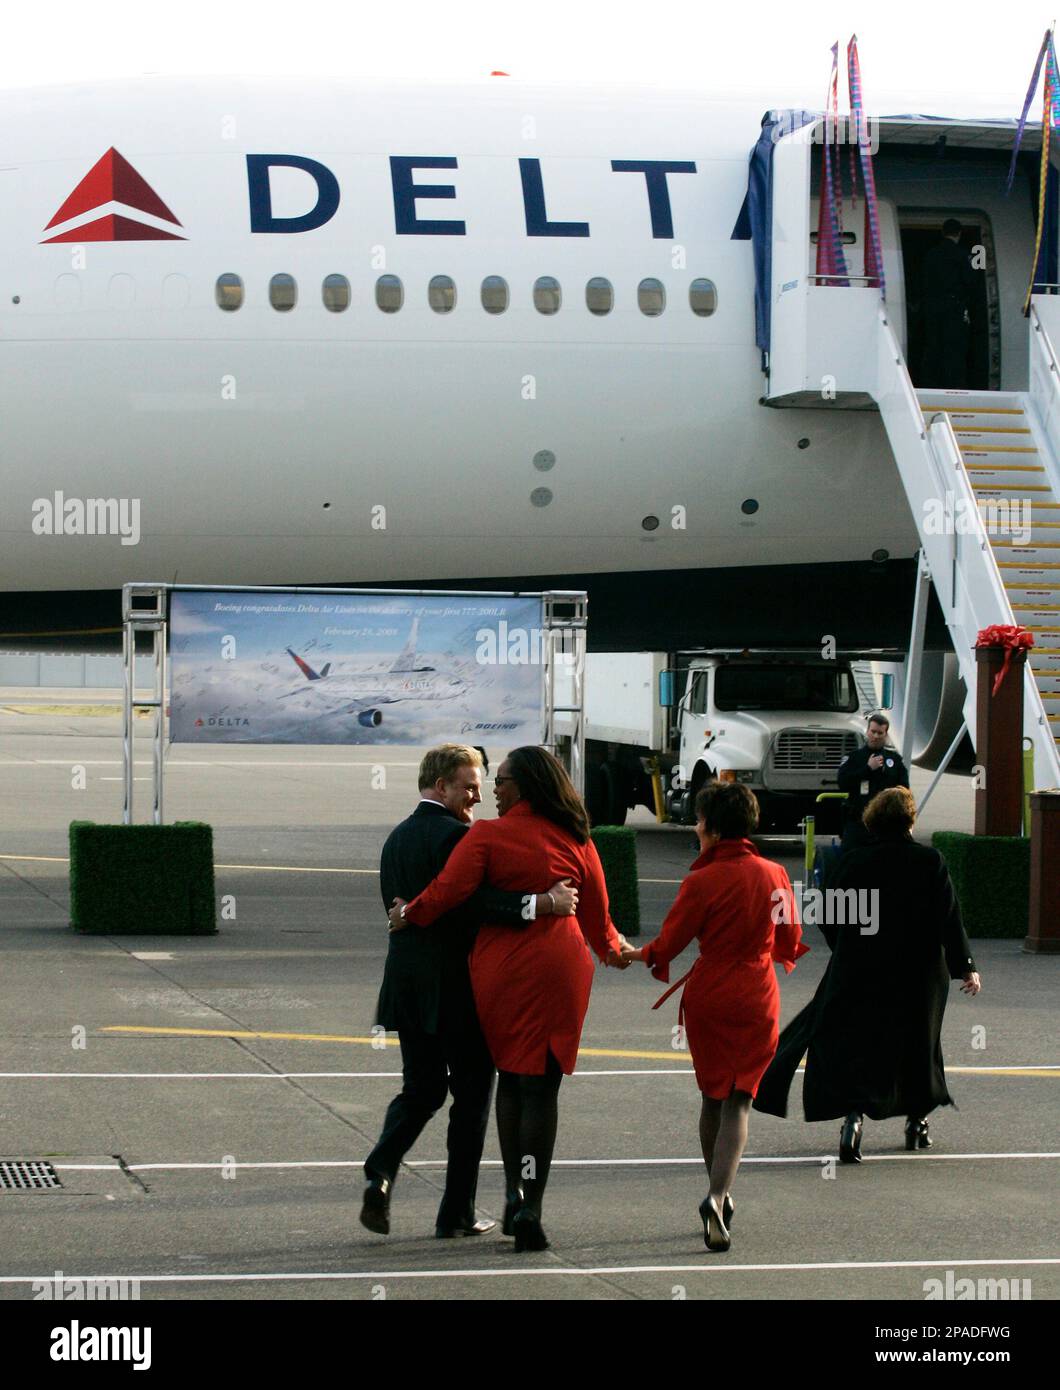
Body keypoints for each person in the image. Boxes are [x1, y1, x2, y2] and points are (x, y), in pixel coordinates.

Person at [392, 746, 626, 1252]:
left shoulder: (486, 835)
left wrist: (409, 913)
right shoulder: (575, 836)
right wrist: (617, 952)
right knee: (541, 1086)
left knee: (512, 1084)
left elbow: (447, 892)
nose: (491, 790)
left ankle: (513, 1195)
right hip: (558, 967)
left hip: (501, 972)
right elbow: (599, 916)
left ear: (522, 785)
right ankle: (530, 1206)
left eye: (499, 781)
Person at [361, 744, 578, 1239]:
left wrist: (406, 914)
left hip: (406, 983)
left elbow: (396, 909)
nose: (479, 796)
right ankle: (456, 1210)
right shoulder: (462, 837)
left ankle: (381, 1167)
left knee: (420, 1090)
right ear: (442, 786)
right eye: (470, 786)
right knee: (474, 1096)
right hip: (459, 987)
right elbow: (472, 903)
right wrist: (540, 902)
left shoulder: (395, 839)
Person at [619, 782, 808, 1252]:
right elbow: (790, 938)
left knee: (711, 1096)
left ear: (716, 828)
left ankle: (719, 1194)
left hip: (711, 992)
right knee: (740, 1099)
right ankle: (718, 1195)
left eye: (700, 820)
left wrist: (632, 954)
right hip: (756, 991)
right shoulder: (776, 874)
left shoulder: (700, 881)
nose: (696, 828)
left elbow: (669, 944)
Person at [753, 787, 981, 1162]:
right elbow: (948, 920)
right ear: (909, 819)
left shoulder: (853, 861)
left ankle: (853, 1119)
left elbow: (827, 915)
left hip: (862, 966)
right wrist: (966, 967)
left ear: (874, 818)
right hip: (918, 971)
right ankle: (916, 1122)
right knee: (918, 1045)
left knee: (860, 1042)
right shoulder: (930, 861)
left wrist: (847, 945)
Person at [836, 713, 909, 850]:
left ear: (885, 734)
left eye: (880, 733)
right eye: (873, 731)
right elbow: (843, 783)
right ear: (867, 731)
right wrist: (868, 769)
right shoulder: (853, 758)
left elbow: (904, 789)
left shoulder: (894, 760)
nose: (875, 736)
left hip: (885, 822)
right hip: (858, 819)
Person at [919, 218, 978, 388]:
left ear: (943, 232)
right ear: (959, 233)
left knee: (932, 347)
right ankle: (953, 385)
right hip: (954, 308)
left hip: (932, 306)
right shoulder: (962, 255)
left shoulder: (931, 254)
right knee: (954, 349)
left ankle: (929, 383)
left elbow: (924, 281)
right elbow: (969, 282)